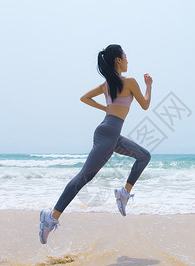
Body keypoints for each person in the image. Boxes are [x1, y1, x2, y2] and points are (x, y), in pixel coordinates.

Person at [39, 44, 153, 244]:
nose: (127, 60)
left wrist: (107, 108)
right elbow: (145, 104)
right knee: (84, 177)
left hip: (110, 133)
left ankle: (123, 193)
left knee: (144, 156)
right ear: (118, 59)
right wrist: (149, 85)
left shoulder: (106, 85)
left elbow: (85, 98)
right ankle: (51, 218)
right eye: (125, 57)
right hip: (108, 134)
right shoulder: (130, 82)